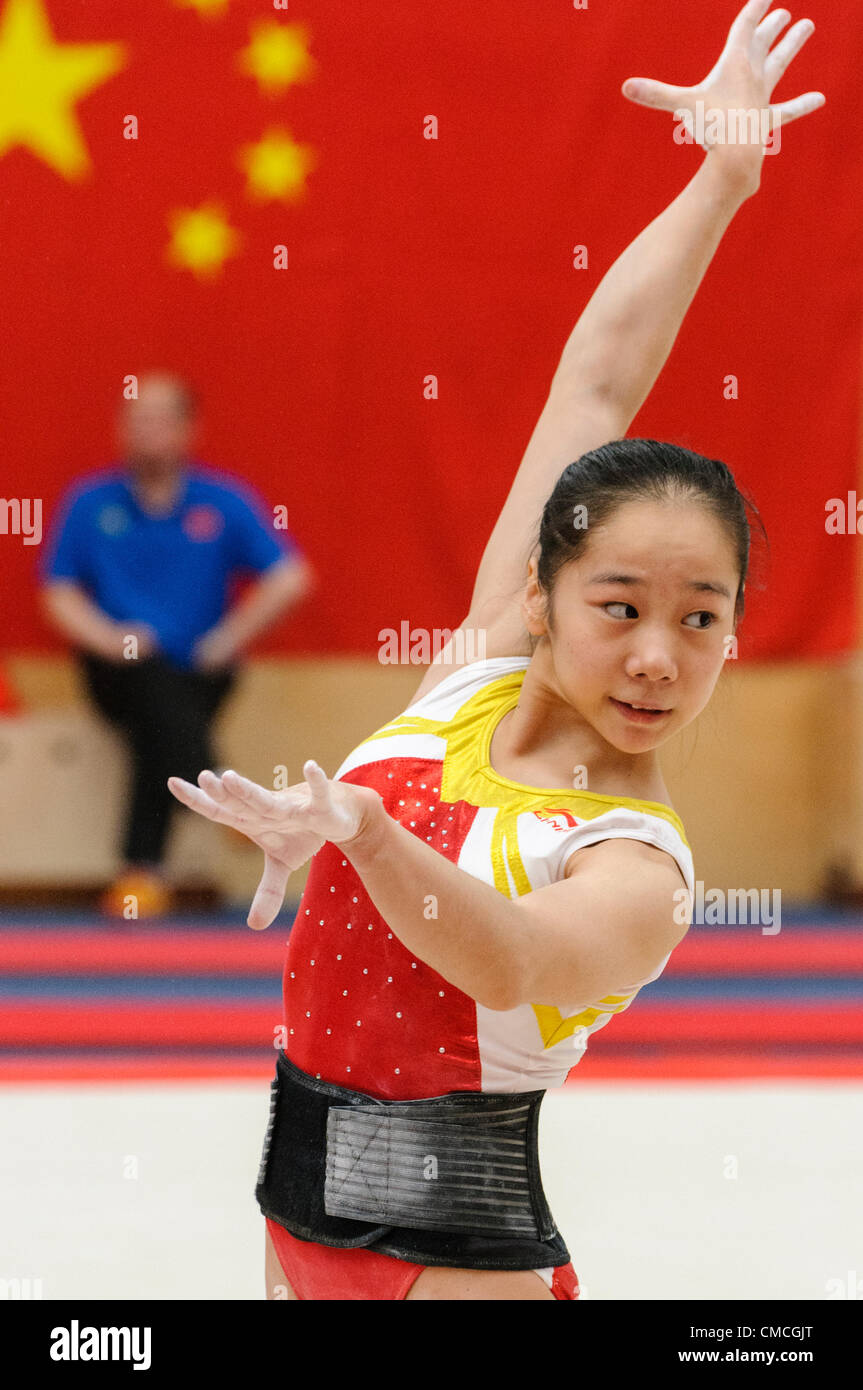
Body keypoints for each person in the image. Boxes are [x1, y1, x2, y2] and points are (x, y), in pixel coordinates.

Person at [168, 1, 824, 1300]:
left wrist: (360, 831)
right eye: (619, 603)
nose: (656, 655)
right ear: (537, 595)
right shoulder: (470, 662)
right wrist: (718, 179)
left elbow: (507, 960)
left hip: (454, 1247)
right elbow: (591, 384)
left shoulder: (633, 860)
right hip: (313, 1187)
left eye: (700, 617)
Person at [39, 372, 315, 917]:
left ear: (189, 429)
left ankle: (142, 874)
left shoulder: (222, 501)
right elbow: (57, 591)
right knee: (150, 685)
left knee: (160, 726)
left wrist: (229, 637)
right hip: (119, 670)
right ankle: (226, 797)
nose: (147, 431)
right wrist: (109, 638)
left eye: (161, 419)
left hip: (200, 673)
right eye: (137, 419)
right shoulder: (91, 502)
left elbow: (291, 576)